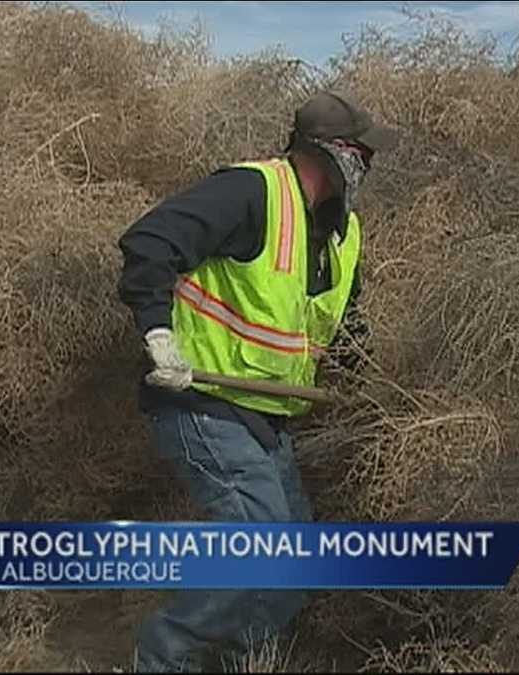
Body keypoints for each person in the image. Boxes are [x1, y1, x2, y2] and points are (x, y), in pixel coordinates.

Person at [116, 90, 399, 672]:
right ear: (334, 153)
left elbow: (345, 330)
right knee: (259, 540)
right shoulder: (253, 192)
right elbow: (150, 241)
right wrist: (157, 334)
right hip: (204, 401)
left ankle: (238, 661)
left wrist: (378, 392)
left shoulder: (342, 237)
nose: (370, 165)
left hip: (267, 418)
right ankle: (163, 660)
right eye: (364, 153)